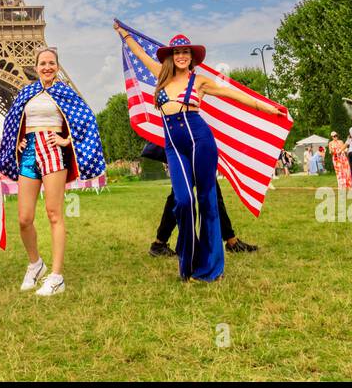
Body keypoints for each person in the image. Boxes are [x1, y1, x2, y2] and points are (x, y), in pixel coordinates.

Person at [116, 25, 278, 283]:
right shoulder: (161, 76)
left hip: (200, 141)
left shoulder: (199, 81)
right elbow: (140, 55)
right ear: (171, 56)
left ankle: (210, 267)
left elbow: (231, 94)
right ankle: (188, 259)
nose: (181, 56)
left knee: (207, 201)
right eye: (177, 52)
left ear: (192, 57)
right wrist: (123, 34)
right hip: (174, 146)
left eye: (186, 52)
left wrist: (265, 108)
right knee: (183, 201)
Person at [0, 44, 106, 296]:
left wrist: (67, 140)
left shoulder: (64, 92)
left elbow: (86, 119)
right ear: (35, 67)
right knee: (24, 218)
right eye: (42, 63)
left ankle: (56, 277)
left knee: (54, 213)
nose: (47, 67)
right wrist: (19, 138)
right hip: (29, 152)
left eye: (51, 63)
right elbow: (13, 121)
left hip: (52, 150)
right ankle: (36, 264)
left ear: (57, 66)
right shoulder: (27, 92)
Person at [150, 183, 258, 257]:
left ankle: (231, 240)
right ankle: (159, 243)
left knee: (212, 193)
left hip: (197, 153)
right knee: (179, 197)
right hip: (188, 154)